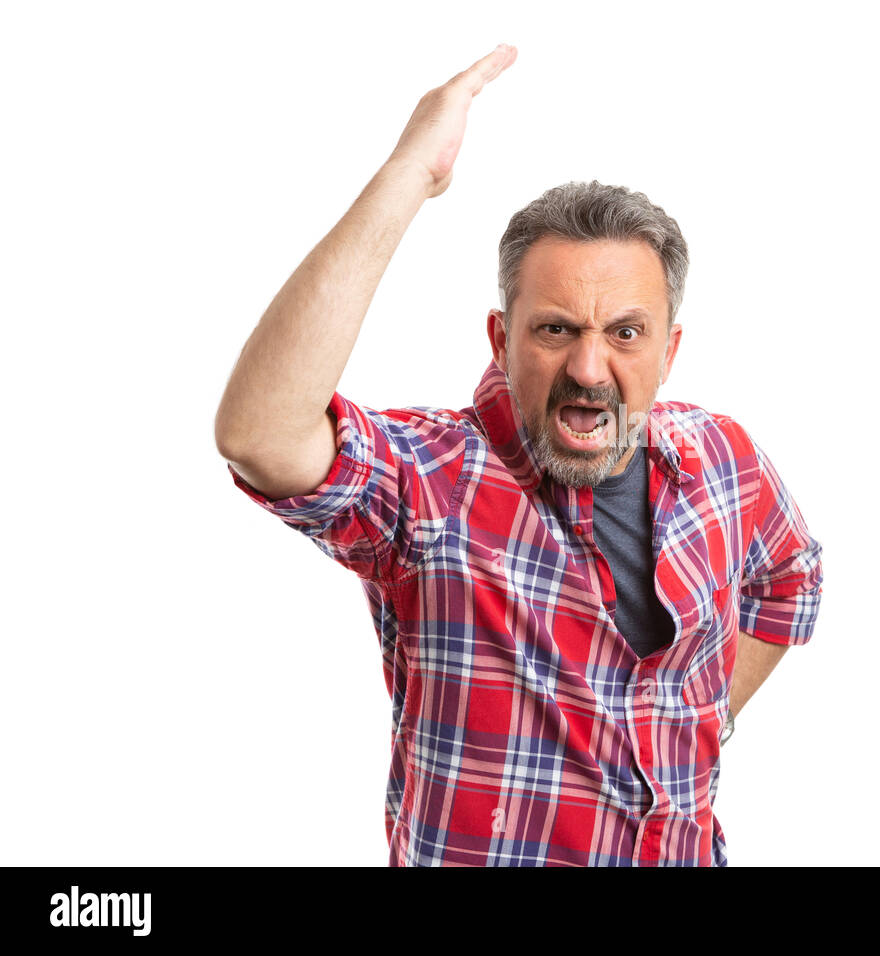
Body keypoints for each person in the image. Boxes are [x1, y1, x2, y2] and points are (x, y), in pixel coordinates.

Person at [214, 43, 824, 867]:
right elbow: (261, 434)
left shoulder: (722, 459)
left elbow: (791, 579)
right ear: (502, 339)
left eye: (625, 334)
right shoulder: (432, 486)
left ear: (669, 350)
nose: (588, 368)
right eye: (555, 329)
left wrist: (701, 722)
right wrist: (408, 177)